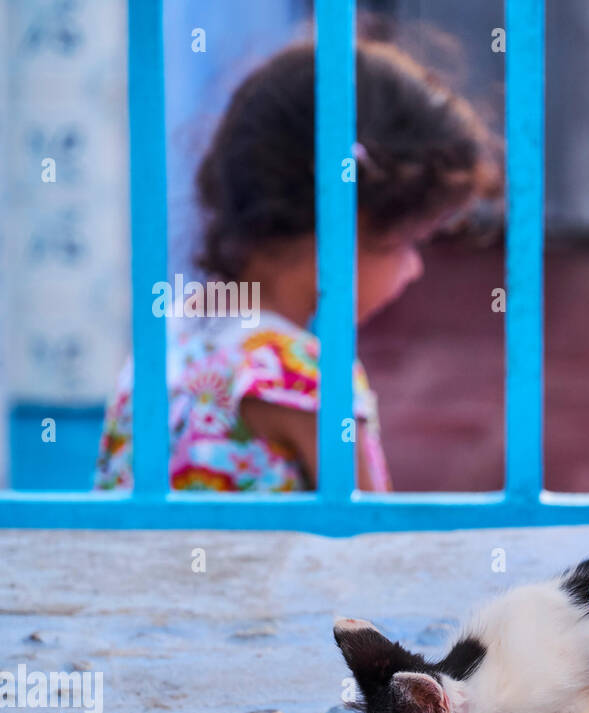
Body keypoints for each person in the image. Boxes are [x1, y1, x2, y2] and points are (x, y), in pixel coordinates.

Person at [94, 40, 499, 492]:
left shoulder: (170, 331)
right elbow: (375, 549)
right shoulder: (305, 378)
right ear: (345, 222)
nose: (414, 269)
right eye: (408, 243)